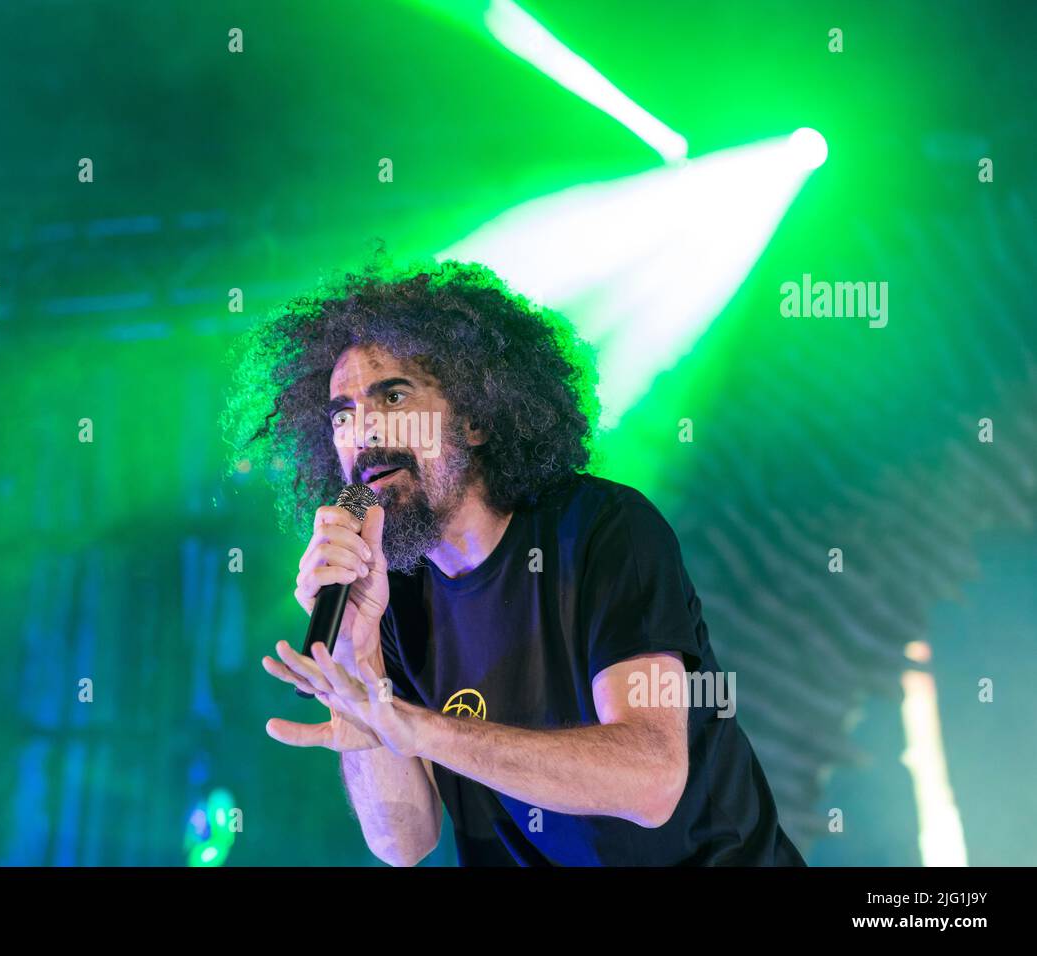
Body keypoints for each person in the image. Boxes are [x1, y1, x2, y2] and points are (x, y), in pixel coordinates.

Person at [226, 259, 805, 866]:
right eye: (341, 414)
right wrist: (355, 655)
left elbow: (651, 781)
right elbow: (403, 843)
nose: (362, 431)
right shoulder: (383, 595)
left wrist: (419, 727)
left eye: (393, 395)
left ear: (475, 418)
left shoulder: (603, 529)